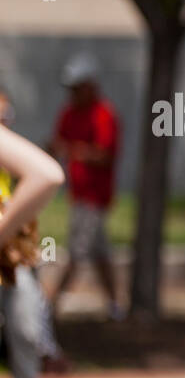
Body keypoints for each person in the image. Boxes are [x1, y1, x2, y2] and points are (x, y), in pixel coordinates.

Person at [0, 91, 74, 378]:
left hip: (11, 255)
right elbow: (49, 174)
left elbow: (45, 176)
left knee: (28, 328)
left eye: (7, 118)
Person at [47, 54, 121, 321]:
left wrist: (72, 151)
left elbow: (105, 154)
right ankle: (115, 305)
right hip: (78, 194)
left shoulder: (104, 115)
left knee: (77, 251)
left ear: (91, 86)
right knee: (101, 253)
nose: (73, 94)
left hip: (95, 196)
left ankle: (50, 306)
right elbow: (57, 143)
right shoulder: (69, 113)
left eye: (78, 88)